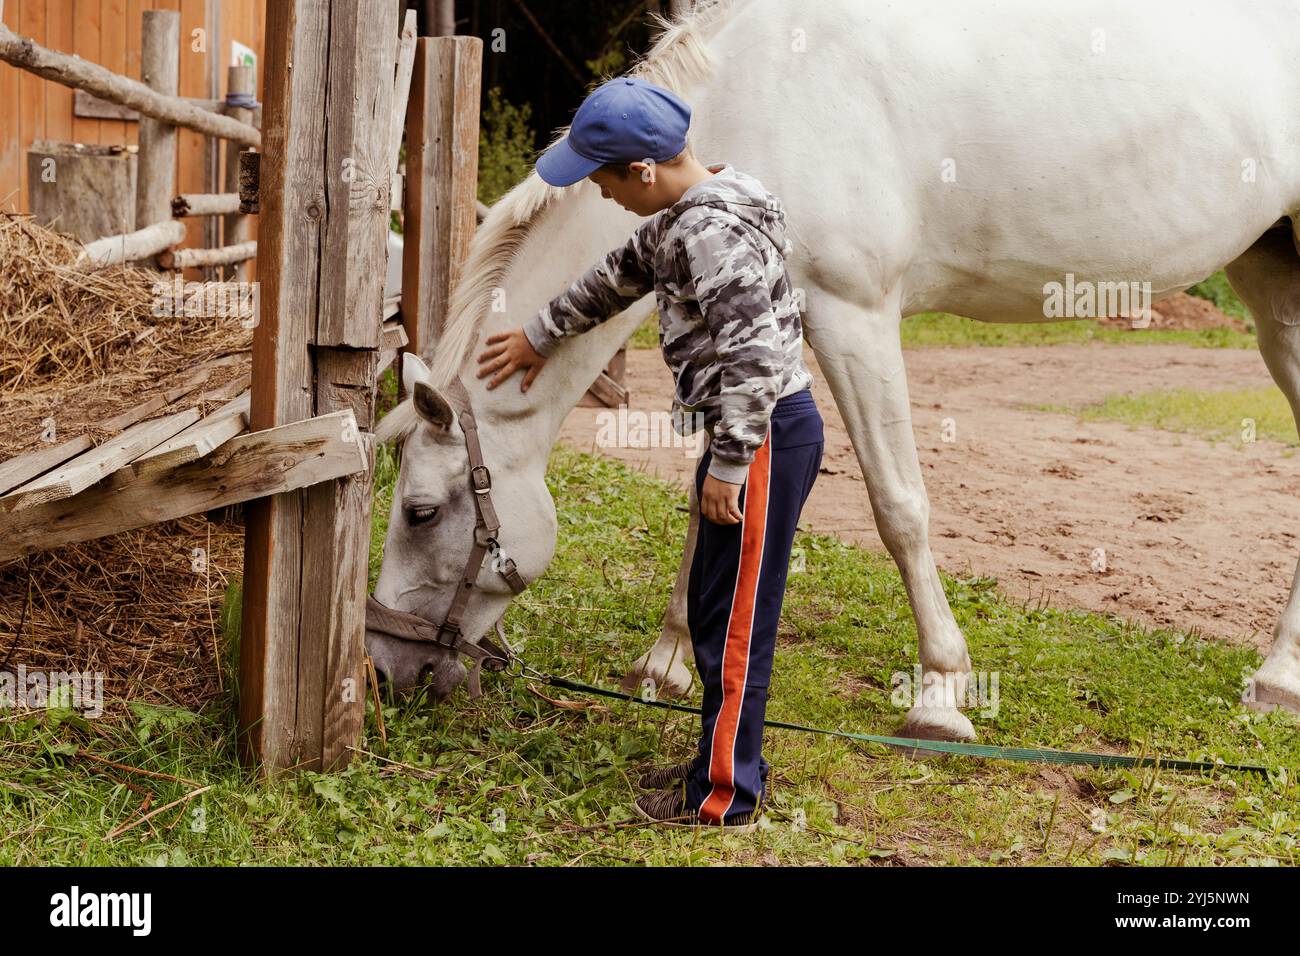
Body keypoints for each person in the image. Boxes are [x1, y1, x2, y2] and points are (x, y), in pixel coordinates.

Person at [476, 76, 824, 831]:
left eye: (603, 181)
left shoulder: (707, 230)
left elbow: (757, 357)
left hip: (760, 434)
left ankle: (724, 796)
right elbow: (618, 274)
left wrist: (731, 463)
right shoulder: (697, 207)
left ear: (641, 171)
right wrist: (541, 331)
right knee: (712, 605)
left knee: (735, 625)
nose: (601, 196)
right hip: (749, 430)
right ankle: (720, 757)